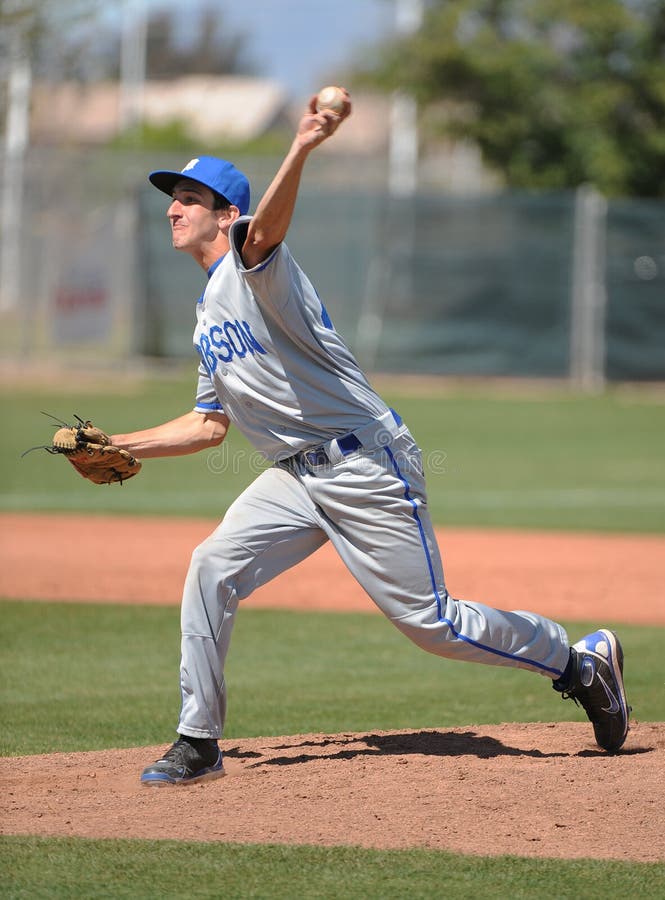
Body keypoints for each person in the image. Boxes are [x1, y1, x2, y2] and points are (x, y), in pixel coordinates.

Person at [112, 90, 630, 786]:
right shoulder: (208, 314)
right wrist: (121, 445)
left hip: (363, 464)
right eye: (172, 197)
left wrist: (301, 145)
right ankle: (198, 740)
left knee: (431, 626)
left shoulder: (251, 264)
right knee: (210, 568)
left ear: (225, 214)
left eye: (190, 198)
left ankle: (577, 660)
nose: (173, 208)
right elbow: (209, 425)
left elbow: (266, 230)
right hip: (296, 477)